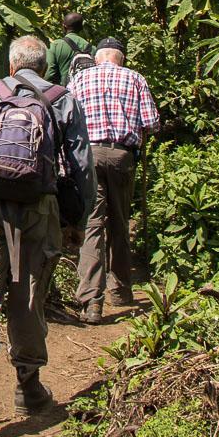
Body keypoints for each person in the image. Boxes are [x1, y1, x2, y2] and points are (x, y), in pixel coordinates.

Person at [0, 36, 94, 437]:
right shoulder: (63, 100)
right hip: (38, 208)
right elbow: (81, 166)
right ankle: (27, 387)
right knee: (29, 292)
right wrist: (77, 218)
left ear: (12, 66)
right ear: (44, 68)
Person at [68, 37, 159, 323]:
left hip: (88, 156)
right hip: (122, 156)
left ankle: (90, 302)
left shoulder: (80, 79)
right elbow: (152, 122)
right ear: (122, 58)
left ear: (97, 57)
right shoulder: (135, 79)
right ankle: (120, 292)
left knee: (93, 225)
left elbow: (65, 117)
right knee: (119, 222)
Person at [45, 12, 90, 85]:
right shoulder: (91, 48)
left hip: (63, 92)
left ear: (64, 26)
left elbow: (49, 75)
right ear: (81, 27)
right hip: (84, 91)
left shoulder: (55, 45)